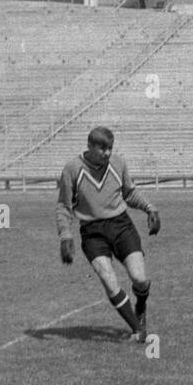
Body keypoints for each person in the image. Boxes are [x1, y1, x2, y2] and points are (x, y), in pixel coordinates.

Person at [56, 126, 160, 341]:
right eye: (102, 149)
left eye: (110, 149)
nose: (107, 153)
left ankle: (140, 306)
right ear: (90, 146)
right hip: (92, 232)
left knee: (140, 279)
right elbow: (64, 206)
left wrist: (150, 208)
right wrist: (66, 236)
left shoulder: (118, 163)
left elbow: (129, 193)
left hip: (121, 225)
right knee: (108, 278)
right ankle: (137, 330)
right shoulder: (72, 169)